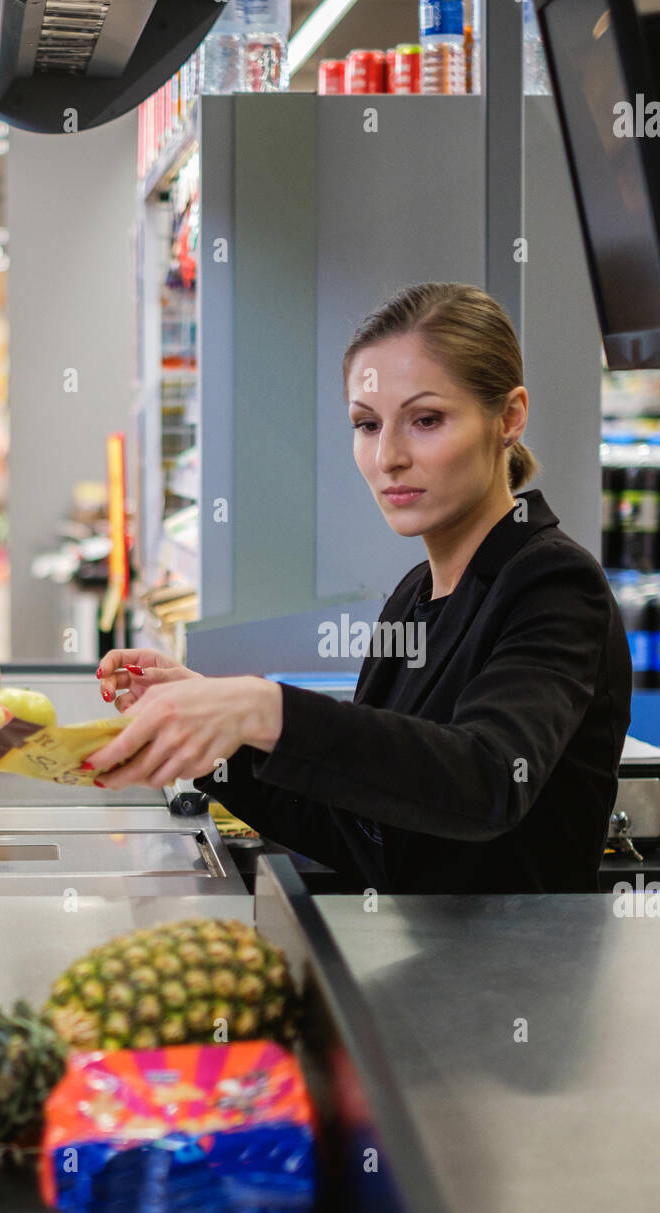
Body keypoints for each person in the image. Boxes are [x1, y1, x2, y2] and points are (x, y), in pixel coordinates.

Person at [87, 282, 632, 894]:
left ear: (508, 417)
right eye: (367, 425)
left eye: (426, 420)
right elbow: (361, 834)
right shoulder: (414, 595)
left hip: (516, 981)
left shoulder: (554, 584)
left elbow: (488, 781)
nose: (388, 456)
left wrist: (265, 708)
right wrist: (221, 739)